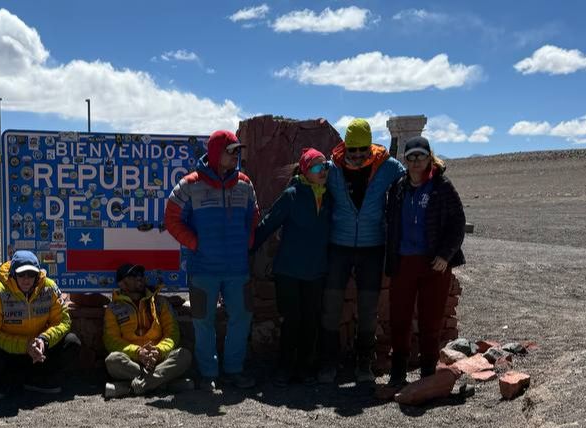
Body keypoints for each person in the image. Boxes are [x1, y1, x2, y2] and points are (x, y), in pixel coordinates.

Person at [165, 130, 259, 392]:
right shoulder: (189, 185)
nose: (236, 156)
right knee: (202, 321)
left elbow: (253, 215)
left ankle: (234, 370)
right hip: (203, 269)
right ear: (217, 152)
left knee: (242, 317)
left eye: (238, 151)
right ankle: (208, 374)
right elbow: (171, 219)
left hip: (237, 269)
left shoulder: (245, 184)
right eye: (231, 151)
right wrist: (196, 244)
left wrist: (247, 241)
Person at [319, 119, 406, 384]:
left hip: (372, 247)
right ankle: (328, 362)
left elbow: (413, 177)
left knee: (368, 309)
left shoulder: (387, 166)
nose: (357, 155)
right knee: (331, 306)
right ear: (345, 147)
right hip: (339, 246)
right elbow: (307, 179)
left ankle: (364, 363)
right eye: (352, 150)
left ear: (370, 146)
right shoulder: (332, 168)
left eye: (362, 149)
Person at [384, 136, 466, 387]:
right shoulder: (398, 187)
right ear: (405, 160)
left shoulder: (441, 186)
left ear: (429, 157)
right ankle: (398, 370)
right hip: (403, 261)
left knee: (431, 318)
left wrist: (445, 254)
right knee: (400, 317)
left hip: (434, 263)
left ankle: (428, 371)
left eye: (421, 155)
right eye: (412, 156)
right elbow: (391, 222)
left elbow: (457, 223)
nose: (416, 161)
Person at [253, 148, 332, 386]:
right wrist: (247, 249)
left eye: (325, 166)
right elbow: (268, 223)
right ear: (305, 171)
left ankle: (305, 367)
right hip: (289, 270)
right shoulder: (292, 195)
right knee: (292, 320)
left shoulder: (329, 195)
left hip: (316, 270)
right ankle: (284, 367)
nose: (322, 171)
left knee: (311, 319)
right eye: (316, 167)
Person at [0, 251, 80, 396]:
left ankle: (37, 380)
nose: (26, 279)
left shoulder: (49, 287)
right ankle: (4, 382)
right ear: (13, 273)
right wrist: (25, 345)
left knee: (72, 342)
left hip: (39, 352)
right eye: (21, 274)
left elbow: (63, 321)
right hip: (11, 353)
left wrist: (44, 340)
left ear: (37, 275)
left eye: (31, 274)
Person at [103, 263, 194, 398]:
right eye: (133, 275)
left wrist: (158, 351)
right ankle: (162, 384)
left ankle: (133, 387)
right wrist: (138, 352)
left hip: (159, 358)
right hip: (132, 361)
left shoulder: (160, 302)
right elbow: (111, 341)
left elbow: (172, 333)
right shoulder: (113, 308)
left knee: (184, 355)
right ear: (122, 284)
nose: (139, 278)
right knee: (112, 360)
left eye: (141, 274)